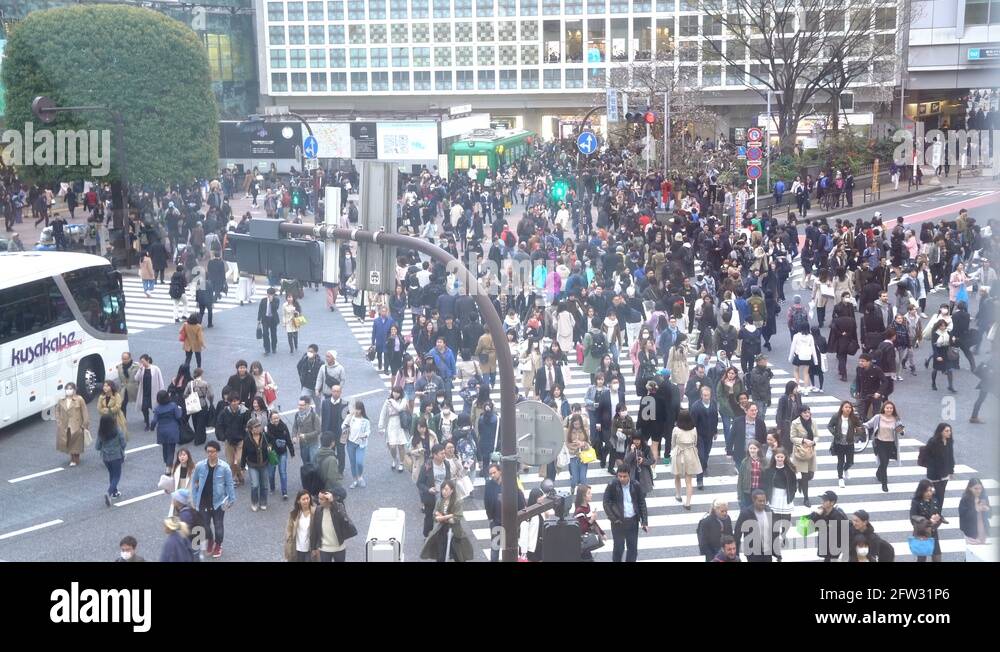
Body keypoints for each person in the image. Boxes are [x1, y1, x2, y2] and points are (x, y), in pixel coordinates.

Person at [191, 440, 236, 559]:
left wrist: (231, 499)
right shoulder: (200, 466)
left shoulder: (224, 467)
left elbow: (229, 484)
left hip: (218, 502)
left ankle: (218, 545)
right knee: (205, 526)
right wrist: (195, 499)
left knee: (218, 526)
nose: (210, 454)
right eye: (208, 451)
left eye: (212, 451)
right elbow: (194, 482)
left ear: (217, 452)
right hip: (203, 502)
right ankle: (210, 541)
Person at [602, 464, 648, 563]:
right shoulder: (612, 485)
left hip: (632, 521)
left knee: (632, 548)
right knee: (619, 548)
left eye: (624, 476)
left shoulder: (635, 485)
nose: (622, 479)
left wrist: (644, 521)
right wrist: (613, 518)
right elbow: (606, 503)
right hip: (618, 522)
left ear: (629, 475)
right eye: (620, 476)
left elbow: (641, 503)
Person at [420, 479, 475, 562]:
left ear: (452, 491)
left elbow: (457, 518)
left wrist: (442, 517)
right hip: (441, 529)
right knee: (441, 553)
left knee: (457, 554)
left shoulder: (457, 502)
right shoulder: (440, 500)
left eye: (446, 489)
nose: (443, 492)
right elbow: (435, 515)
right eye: (442, 489)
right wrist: (448, 516)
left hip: (455, 531)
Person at [863, 401, 903, 493]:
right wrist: (861, 427)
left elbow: (901, 429)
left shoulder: (896, 419)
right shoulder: (878, 417)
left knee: (885, 462)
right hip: (880, 443)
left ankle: (878, 473)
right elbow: (869, 424)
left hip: (891, 444)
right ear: (884, 409)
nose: (889, 410)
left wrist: (901, 431)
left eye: (891, 408)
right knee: (884, 462)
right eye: (887, 408)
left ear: (893, 410)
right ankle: (884, 484)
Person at [804, 490, 849, 562]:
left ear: (832, 503)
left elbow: (846, 534)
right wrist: (815, 514)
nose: (822, 502)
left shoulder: (838, 517)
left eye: (825, 500)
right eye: (822, 499)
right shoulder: (821, 511)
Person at [734, 489, 778, 562]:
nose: (762, 503)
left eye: (764, 500)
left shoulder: (769, 511)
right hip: (752, 552)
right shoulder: (745, 513)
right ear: (753, 500)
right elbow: (737, 534)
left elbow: (774, 532)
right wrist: (736, 554)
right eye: (760, 501)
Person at [309, 486, 351, 562]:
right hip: (324, 549)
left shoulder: (338, 507)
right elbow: (315, 529)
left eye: (321, 499)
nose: (319, 501)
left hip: (339, 547)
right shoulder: (318, 510)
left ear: (328, 500)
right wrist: (313, 548)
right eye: (318, 498)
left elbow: (344, 520)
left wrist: (333, 502)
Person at [671, 409, 701, 510]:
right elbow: (695, 442)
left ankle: (678, 495)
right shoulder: (694, 429)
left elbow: (673, 443)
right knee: (689, 480)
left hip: (679, 453)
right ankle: (688, 502)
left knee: (677, 476)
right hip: (690, 453)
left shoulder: (676, 429)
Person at [417, 444, 451, 536]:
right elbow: (419, 483)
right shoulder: (427, 466)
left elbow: (449, 480)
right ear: (434, 455)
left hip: (444, 496)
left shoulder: (446, 464)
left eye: (444, 453)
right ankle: (427, 535)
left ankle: (441, 536)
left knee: (444, 517)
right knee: (429, 517)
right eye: (441, 454)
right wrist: (428, 489)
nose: (444, 455)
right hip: (431, 497)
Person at [216, 394, 250, 485]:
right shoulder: (224, 412)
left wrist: (246, 436)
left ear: (239, 401)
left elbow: (248, 425)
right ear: (229, 402)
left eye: (236, 401)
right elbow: (219, 425)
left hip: (240, 439)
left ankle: (236, 477)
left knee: (239, 461)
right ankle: (238, 476)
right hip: (229, 440)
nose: (235, 403)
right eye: (233, 401)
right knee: (230, 462)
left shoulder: (244, 411)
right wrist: (222, 437)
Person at [94, 413, 127, 506]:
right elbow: (123, 442)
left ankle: (115, 492)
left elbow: (97, 446)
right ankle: (109, 493)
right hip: (116, 456)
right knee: (117, 475)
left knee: (111, 474)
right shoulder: (117, 430)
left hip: (105, 457)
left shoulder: (101, 432)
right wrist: (121, 449)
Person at [789, 405, 818, 506]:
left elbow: (817, 435)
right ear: (801, 413)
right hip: (800, 452)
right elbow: (792, 438)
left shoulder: (813, 422)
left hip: (810, 451)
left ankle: (800, 482)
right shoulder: (795, 423)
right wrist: (803, 440)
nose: (807, 414)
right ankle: (806, 498)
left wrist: (813, 442)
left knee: (811, 475)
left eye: (808, 412)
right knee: (805, 475)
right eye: (805, 412)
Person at [240, 418, 272, 511]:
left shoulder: (265, 436)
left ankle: (263, 502)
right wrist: (242, 467)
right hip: (252, 465)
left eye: (259, 426)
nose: (258, 428)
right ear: (250, 429)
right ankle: (254, 502)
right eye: (255, 427)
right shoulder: (247, 440)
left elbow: (271, 443)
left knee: (265, 485)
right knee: (255, 485)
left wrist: (270, 448)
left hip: (264, 464)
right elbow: (244, 454)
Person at [55, 382, 89, 467]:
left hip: (76, 425)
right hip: (65, 425)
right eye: (67, 389)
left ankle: (76, 458)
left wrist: (85, 425)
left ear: (74, 390)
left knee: (76, 443)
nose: (68, 390)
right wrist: (59, 422)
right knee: (69, 442)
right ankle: (72, 458)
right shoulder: (61, 400)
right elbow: (57, 411)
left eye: (70, 389)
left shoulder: (79, 399)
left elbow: (84, 412)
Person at [925, 422, 955, 514]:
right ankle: (935, 513)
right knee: (939, 495)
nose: (949, 432)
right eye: (946, 431)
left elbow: (950, 457)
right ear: (941, 431)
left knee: (940, 495)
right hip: (935, 474)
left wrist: (951, 471)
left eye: (950, 431)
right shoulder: (933, 442)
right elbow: (928, 457)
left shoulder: (949, 441)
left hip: (945, 473)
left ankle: (937, 513)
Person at [378, 386, 409, 473]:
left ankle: (402, 463)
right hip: (391, 423)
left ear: (400, 393)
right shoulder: (387, 401)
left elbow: (399, 408)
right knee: (392, 446)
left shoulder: (403, 400)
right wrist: (380, 426)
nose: (395, 393)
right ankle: (395, 459)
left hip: (400, 423)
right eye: (394, 392)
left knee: (401, 445)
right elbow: (383, 413)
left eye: (398, 392)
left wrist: (392, 401)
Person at [910, 480, 943, 562]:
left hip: (933, 532)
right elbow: (913, 518)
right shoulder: (916, 502)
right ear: (921, 491)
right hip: (922, 533)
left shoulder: (934, 500)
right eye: (926, 491)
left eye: (930, 490)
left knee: (937, 556)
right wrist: (929, 522)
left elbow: (938, 514)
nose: (929, 493)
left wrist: (938, 519)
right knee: (921, 557)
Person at [342, 400, 371, 489]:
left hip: (361, 444)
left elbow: (368, 431)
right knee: (353, 462)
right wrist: (348, 420)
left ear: (362, 410)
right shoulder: (350, 417)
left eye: (359, 409)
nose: (357, 411)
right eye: (356, 409)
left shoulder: (365, 420)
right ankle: (355, 479)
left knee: (359, 462)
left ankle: (360, 476)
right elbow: (343, 426)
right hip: (350, 443)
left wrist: (365, 435)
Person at [574, 484, 606, 561]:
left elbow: (594, 523)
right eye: (589, 493)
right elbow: (582, 529)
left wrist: (602, 533)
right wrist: (591, 520)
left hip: (586, 541)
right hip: (582, 542)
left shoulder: (587, 506)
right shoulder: (579, 511)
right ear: (583, 496)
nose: (591, 495)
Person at [266, 411, 294, 499]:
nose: (276, 420)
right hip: (272, 453)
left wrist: (292, 451)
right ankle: (272, 487)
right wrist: (269, 448)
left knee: (282, 472)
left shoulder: (284, 426)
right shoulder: (267, 428)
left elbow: (288, 439)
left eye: (277, 418)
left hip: (282, 452)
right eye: (274, 418)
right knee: (271, 473)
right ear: (270, 419)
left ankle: (284, 492)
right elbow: (265, 441)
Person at [183, 368, 214, 446]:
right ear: (201, 374)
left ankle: (197, 434)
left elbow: (185, 394)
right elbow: (210, 395)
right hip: (202, 403)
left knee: (195, 420)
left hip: (193, 404)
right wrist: (211, 402)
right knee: (202, 421)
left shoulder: (190, 384)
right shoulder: (205, 383)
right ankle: (200, 438)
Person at [135, 355, 165, 431]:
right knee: (144, 408)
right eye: (140, 361)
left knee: (155, 409)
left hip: (154, 393)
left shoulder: (155, 369)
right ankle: (147, 424)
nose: (141, 363)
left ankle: (156, 422)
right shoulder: (141, 369)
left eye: (142, 361)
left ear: (147, 360)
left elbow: (160, 380)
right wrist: (140, 370)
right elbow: (136, 378)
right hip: (144, 393)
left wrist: (162, 391)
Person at [284, 490, 315, 562]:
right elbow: (289, 533)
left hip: (310, 549)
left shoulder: (315, 513)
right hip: (297, 548)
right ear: (298, 501)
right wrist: (288, 550)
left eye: (308, 498)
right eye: (303, 499)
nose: (306, 501)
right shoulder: (294, 514)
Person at [958, 478, 991, 545]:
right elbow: (963, 516)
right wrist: (976, 510)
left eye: (980, 488)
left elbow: (990, 514)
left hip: (983, 528)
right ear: (970, 488)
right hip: (970, 530)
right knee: (973, 551)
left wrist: (987, 509)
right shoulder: (965, 499)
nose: (978, 491)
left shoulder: (984, 497)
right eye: (975, 488)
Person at [930, 319, 958, 392]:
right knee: (935, 369)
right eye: (941, 326)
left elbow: (951, 343)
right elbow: (934, 347)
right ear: (938, 326)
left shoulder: (948, 332)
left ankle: (950, 386)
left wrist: (954, 340)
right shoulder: (935, 334)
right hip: (939, 352)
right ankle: (933, 383)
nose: (943, 327)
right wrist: (937, 356)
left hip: (946, 352)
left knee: (949, 369)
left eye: (944, 326)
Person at [292, 396, 321, 465]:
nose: (299, 407)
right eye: (299, 405)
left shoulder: (314, 416)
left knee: (313, 463)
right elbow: (295, 426)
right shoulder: (297, 414)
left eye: (302, 405)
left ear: (308, 405)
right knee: (306, 463)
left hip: (313, 444)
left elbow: (318, 431)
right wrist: (294, 436)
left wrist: (305, 435)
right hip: (303, 444)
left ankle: (314, 476)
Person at [167, 448, 195, 517]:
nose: (182, 457)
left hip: (189, 493)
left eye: (184, 455)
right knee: (176, 514)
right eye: (180, 455)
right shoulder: (176, 468)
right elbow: (172, 481)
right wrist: (168, 489)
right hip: (178, 494)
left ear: (188, 456)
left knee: (189, 513)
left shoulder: (193, 468)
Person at [115, 352, 139, 418]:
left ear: (130, 358)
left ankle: (146, 419)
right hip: (124, 389)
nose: (124, 360)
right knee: (122, 404)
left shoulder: (136, 366)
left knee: (142, 404)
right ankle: (123, 420)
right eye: (123, 359)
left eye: (126, 359)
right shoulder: (119, 367)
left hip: (134, 388)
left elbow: (140, 378)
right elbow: (120, 379)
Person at [257, 287, 281, 355]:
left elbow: (275, 308)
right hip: (265, 319)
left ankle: (274, 347)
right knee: (265, 334)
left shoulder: (276, 300)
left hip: (273, 320)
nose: (269, 296)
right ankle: (267, 349)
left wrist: (271, 301)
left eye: (271, 294)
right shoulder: (263, 300)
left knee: (273, 334)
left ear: (273, 294)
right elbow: (260, 310)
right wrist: (259, 319)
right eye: (268, 294)